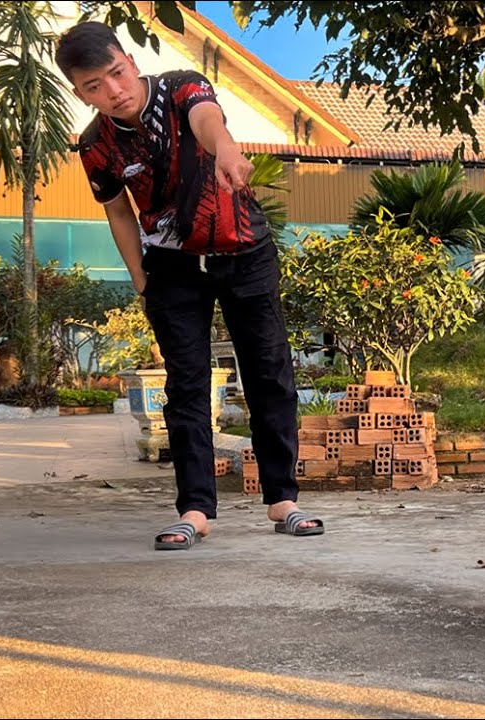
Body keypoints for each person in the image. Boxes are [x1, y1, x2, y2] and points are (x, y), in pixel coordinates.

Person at [56, 22, 323, 550]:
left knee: (268, 372)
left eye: (116, 73)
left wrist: (224, 149)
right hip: (172, 270)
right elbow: (119, 213)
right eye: (95, 86)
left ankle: (283, 499)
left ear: (129, 60)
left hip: (243, 250)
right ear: (79, 92)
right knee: (186, 387)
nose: (114, 90)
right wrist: (140, 279)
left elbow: (208, 119)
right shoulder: (96, 145)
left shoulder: (181, 87)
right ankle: (196, 509)